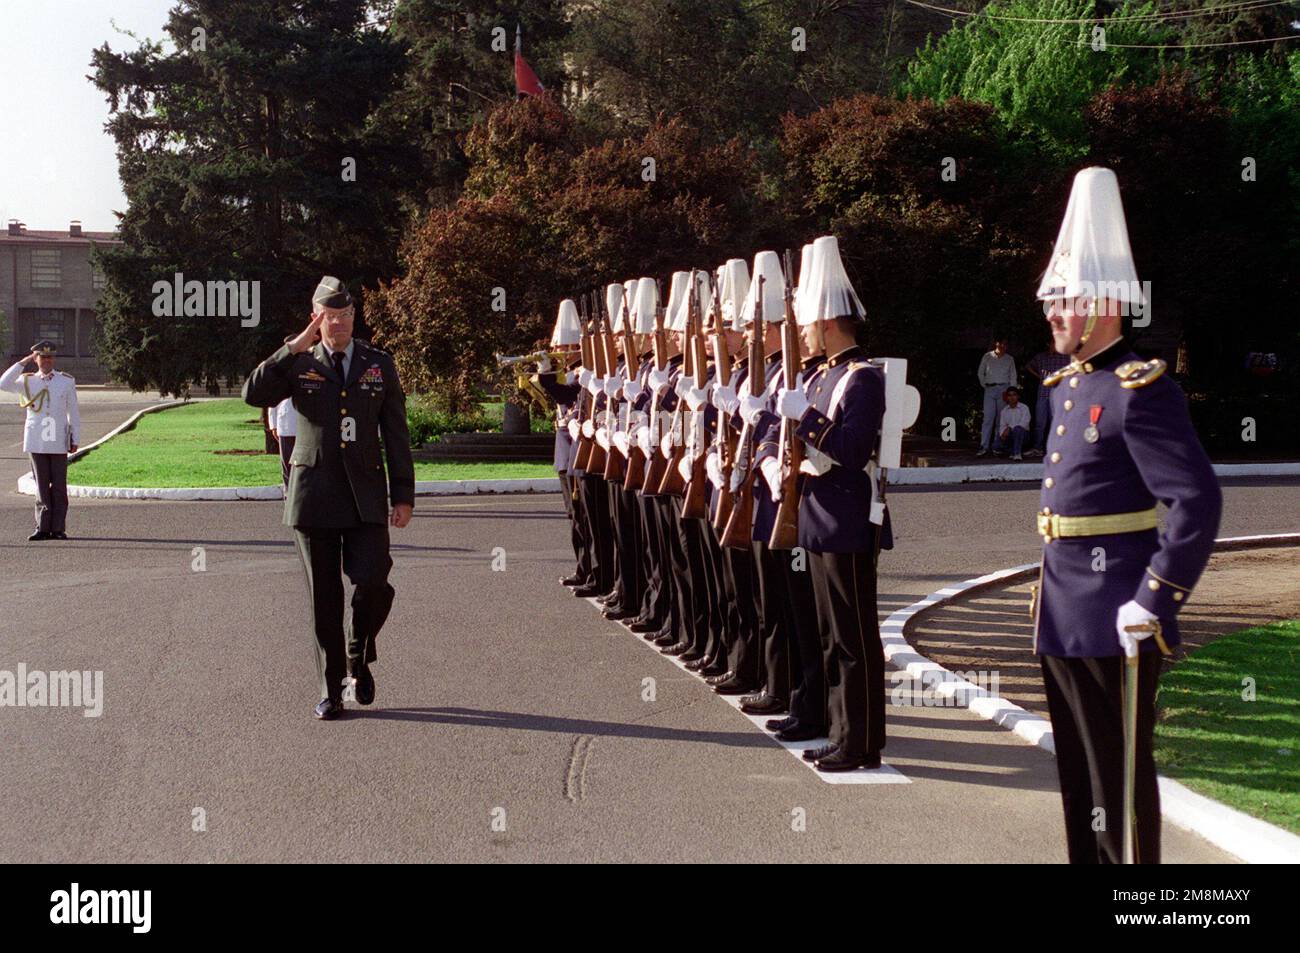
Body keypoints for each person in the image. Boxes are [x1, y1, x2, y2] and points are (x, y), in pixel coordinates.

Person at [1033, 168, 1221, 863]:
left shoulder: (1139, 389)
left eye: (1064, 300)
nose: (1052, 313)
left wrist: (1156, 595)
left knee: (1118, 783)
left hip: (1118, 615)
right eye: (1049, 300)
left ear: (1106, 303)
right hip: (1061, 610)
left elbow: (1196, 498)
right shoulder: (1067, 386)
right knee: (1080, 782)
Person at [242, 276, 415, 720]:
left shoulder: (379, 364)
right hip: (314, 496)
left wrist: (404, 495)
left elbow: (395, 434)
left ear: (355, 317)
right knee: (324, 598)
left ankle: (359, 656)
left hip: (366, 496)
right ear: (316, 320)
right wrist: (292, 346)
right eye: (329, 317)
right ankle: (332, 686)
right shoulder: (300, 363)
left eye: (344, 316)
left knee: (374, 581)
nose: (338, 324)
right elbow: (253, 393)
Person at [775, 235, 890, 772]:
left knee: (854, 637)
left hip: (846, 518)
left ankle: (862, 741)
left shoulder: (862, 377)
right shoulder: (823, 375)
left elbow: (851, 450)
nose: (800, 332)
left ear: (826, 322)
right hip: (818, 517)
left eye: (805, 322)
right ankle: (838, 729)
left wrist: (809, 419)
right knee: (827, 634)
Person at [0, 340, 80, 540]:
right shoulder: (27, 381)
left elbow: (74, 413)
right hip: (36, 440)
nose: (47, 360)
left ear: (54, 359)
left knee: (59, 486)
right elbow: (3, 383)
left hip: (58, 439)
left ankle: (59, 528)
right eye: (42, 357)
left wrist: (75, 437)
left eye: (50, 357)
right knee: (41, 485)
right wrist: (23, 362)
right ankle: (43, 527)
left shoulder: (66, 381)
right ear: (36, 359)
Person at [1025, 340, 1070, 456]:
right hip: (1043, 393)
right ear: (1049, 344)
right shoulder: (1041, 357)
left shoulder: (1064, 357)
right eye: (1052, 344)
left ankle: (1055, 448)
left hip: (1057, 394)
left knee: (1055, 422)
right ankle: (1038, 448)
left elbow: (1073, 368)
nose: (1054, 346)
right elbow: (1028, 366)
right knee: (1040, 422)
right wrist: (1039, 376)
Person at [976, 338, 1017, 456]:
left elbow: (1013, 376)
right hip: (990, 388)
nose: (1004, 346)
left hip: (1003, 389)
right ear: (996, 344)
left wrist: (1011, 392)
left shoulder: (1009, 359)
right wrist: (985, 385)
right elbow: (980, 372)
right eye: (1002, 343)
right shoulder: (987, 356)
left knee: (1001, 419)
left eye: (1006, 344)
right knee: (988, 418)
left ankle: (996, 446)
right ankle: (984, 446)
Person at [992, 386, 1031, 459]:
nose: (1012, 397)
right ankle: (1013, 450)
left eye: (1014, 395)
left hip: (1023, 435)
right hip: (1010, 436)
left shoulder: (1024, 408)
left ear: (1018, 396)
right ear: (1006, 398)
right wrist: (1003, 434)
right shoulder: (1004, 411)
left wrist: (1010, 428)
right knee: (996, 446)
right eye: (1009, 395)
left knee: (1018, 429)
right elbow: (1002, 426)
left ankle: (1017, 454)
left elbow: (1024, 423)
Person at [270, 396, 298, 488]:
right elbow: (273, 398)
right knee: (287, 468)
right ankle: (288, 496)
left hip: (305, 428)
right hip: (285, 425)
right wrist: (273, 424)